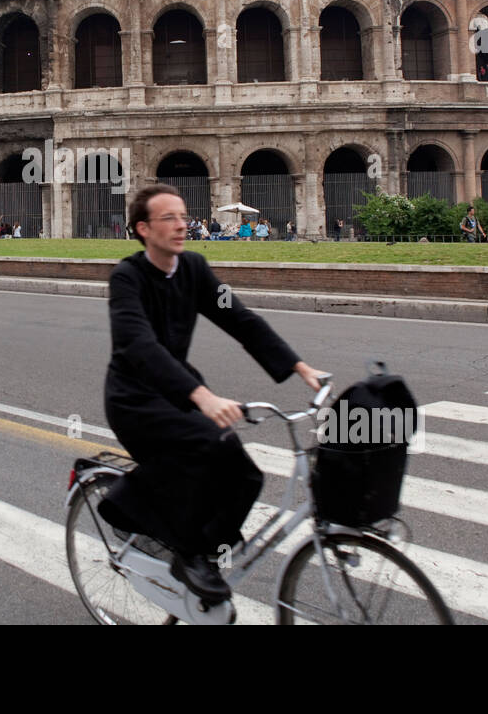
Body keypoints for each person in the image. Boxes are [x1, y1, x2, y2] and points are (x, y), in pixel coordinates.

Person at [98, 184, 325, 603]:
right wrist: (202, 396)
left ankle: (204, 549)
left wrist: (298, 365)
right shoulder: (127, 277)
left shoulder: (194, 270)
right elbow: (139, 346)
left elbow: (240, 319)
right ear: (143, 228)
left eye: (183, 216)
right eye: (169, 218)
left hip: (179, 392)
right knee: (202, 447)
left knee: (245, 473)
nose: (182, 225)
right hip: (134, 398)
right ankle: (175, 542)